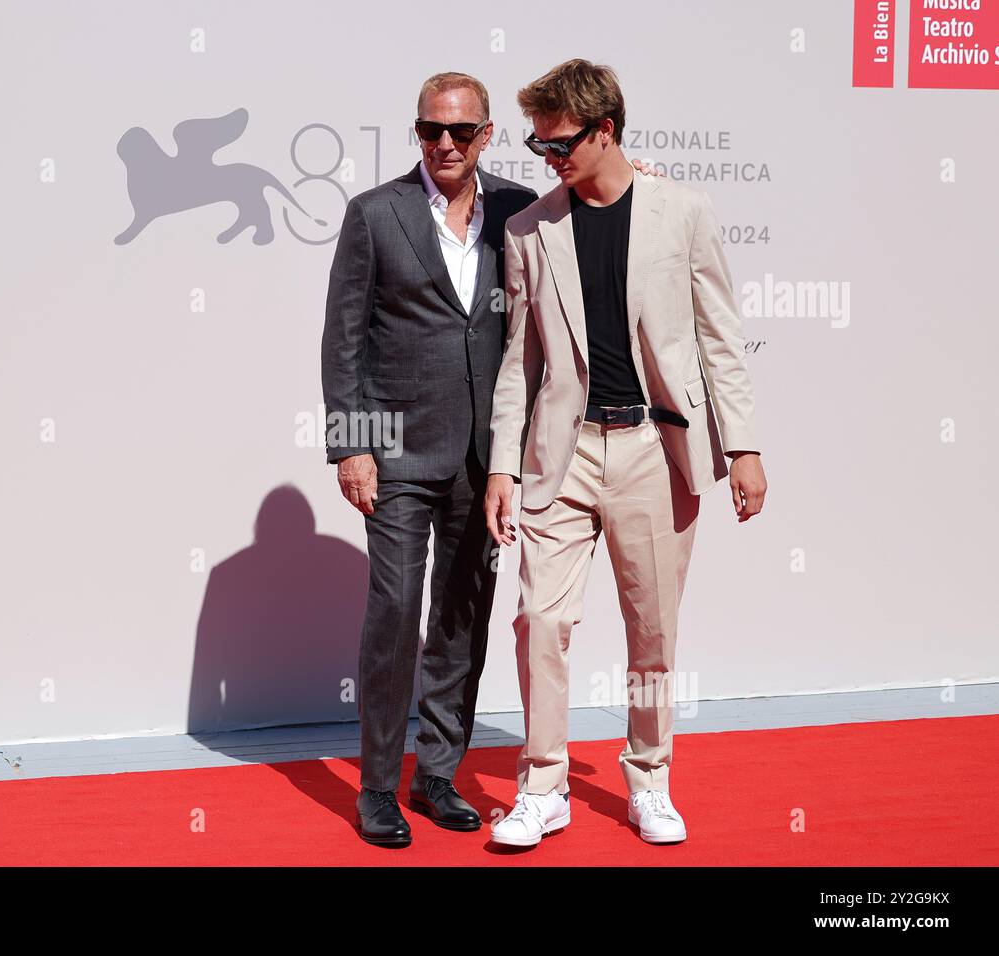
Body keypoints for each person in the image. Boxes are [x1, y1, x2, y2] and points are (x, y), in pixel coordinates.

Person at [484, 59, 767, 848]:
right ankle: (544, 786)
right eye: (538, 146)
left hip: (653, 446)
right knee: (540, 619)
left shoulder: (684, 211)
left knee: (652, 630)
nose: (550, 158)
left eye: (562, 142)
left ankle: (649, 777)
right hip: (561, 455)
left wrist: (740, 446)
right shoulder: (528, 229)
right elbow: (520, 362)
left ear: (606, 129)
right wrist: (503, 465)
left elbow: (720, 338)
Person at [321, 72, 537, 847]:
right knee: (392, 615)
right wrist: (353, 447)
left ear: (486, 136)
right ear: (417, 133)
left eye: (459, 132)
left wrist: (643, 177)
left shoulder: (519, 211)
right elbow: (344, 341)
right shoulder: (374, 214)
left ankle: (437, 773)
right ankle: (378, 785)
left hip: (485, 457)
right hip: (397, 454)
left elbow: (598, 212)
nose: (443, 144)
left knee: (461, 617)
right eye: (428, 130)